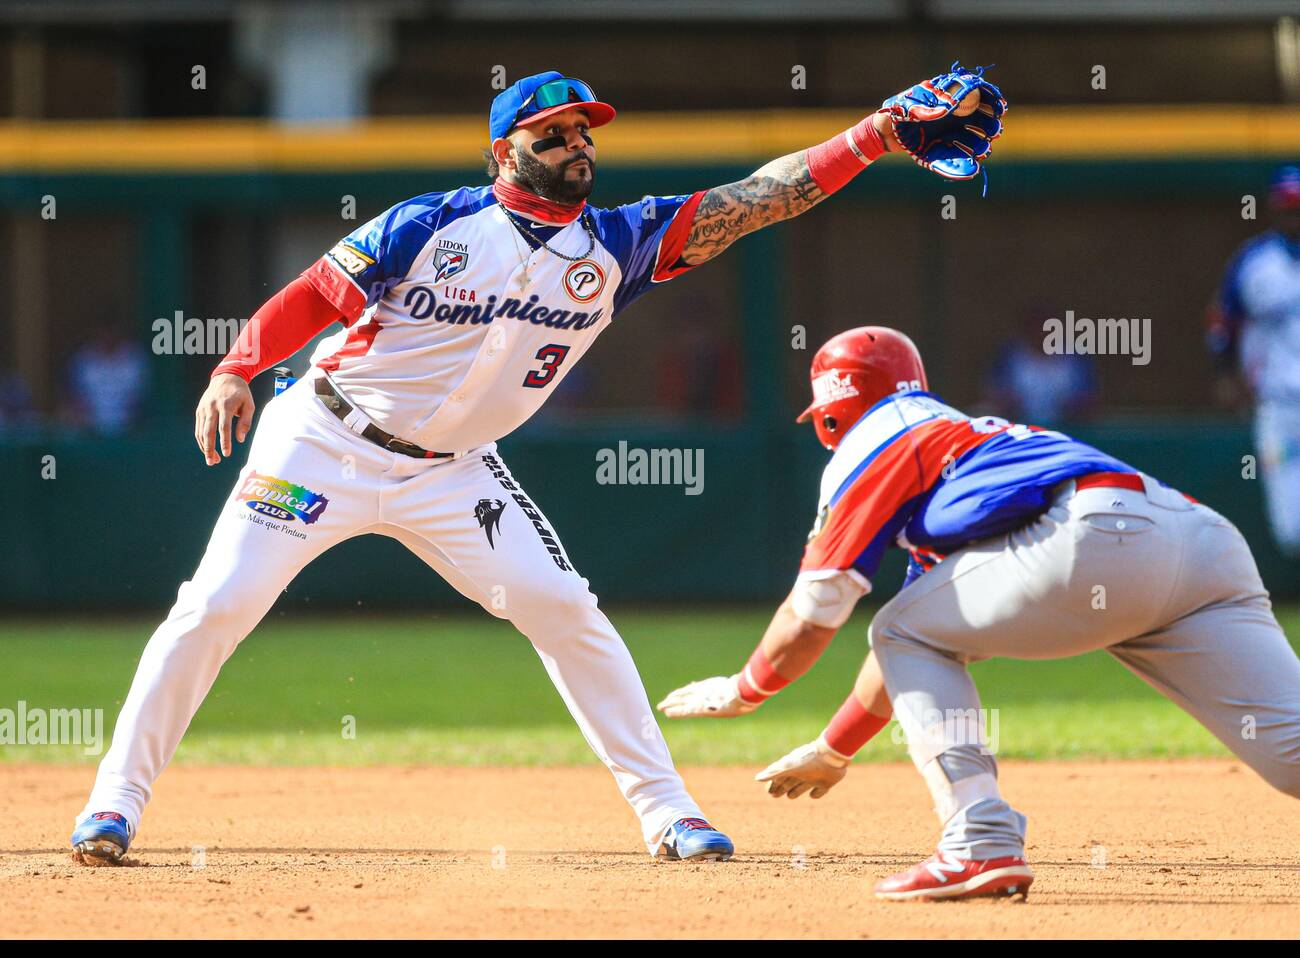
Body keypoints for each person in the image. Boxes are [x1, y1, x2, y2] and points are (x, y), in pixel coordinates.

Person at [70, 69, 938, 866]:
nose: (577, 145)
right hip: (323, 441)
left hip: (455, 472)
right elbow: (313, 293)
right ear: (504, 151)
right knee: (216, 604)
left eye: (585, 131)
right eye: (554, 132)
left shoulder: (619, 247)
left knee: (563, 605)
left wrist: (876, 133)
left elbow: (758, 199)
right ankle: (114, 802)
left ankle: (668, 811)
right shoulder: (431, 222)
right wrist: (234, 368)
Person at [658, 326, 1300, 900]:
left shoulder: (875, 438)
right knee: (1291, 752)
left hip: (1096, 539)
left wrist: (745, 690)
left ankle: (979, 839)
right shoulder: (962, 440)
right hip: (1201, 540)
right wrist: (832, 749)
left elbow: (815, 613)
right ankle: (977, 838)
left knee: (897, 626)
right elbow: (914, 646)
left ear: (831, 411)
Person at [1209, 164, 1300, 557]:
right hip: (1278, 406)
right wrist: (1225, 374)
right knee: (1290, 529)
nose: (1294, 215)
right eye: (1288, 206)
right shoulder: (1254, 261)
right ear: (1274, 209)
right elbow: (1221, 322)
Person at [63, 326, 149, 435]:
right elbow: (75, 395)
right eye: (104, 332)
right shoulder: (83, 358)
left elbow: (140, 396)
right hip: (89, 427)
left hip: (129, 425)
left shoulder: (135, 357)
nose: (108, 336)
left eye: (112, 332)